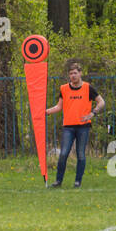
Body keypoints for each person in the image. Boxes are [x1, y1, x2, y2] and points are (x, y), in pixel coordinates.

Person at [45, 59, 105, 188]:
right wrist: (45, 112)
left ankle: (78, 181)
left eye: (75, 73)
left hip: (83, 127)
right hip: (68, 127)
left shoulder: (88, 88)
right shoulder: (64, 88)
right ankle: (58, 181)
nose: (73, 75)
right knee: (64, 153)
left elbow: (101, 102)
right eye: (71, 73)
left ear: (80, 73)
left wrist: (92, 113)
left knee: (81, 154)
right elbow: (59, 107)